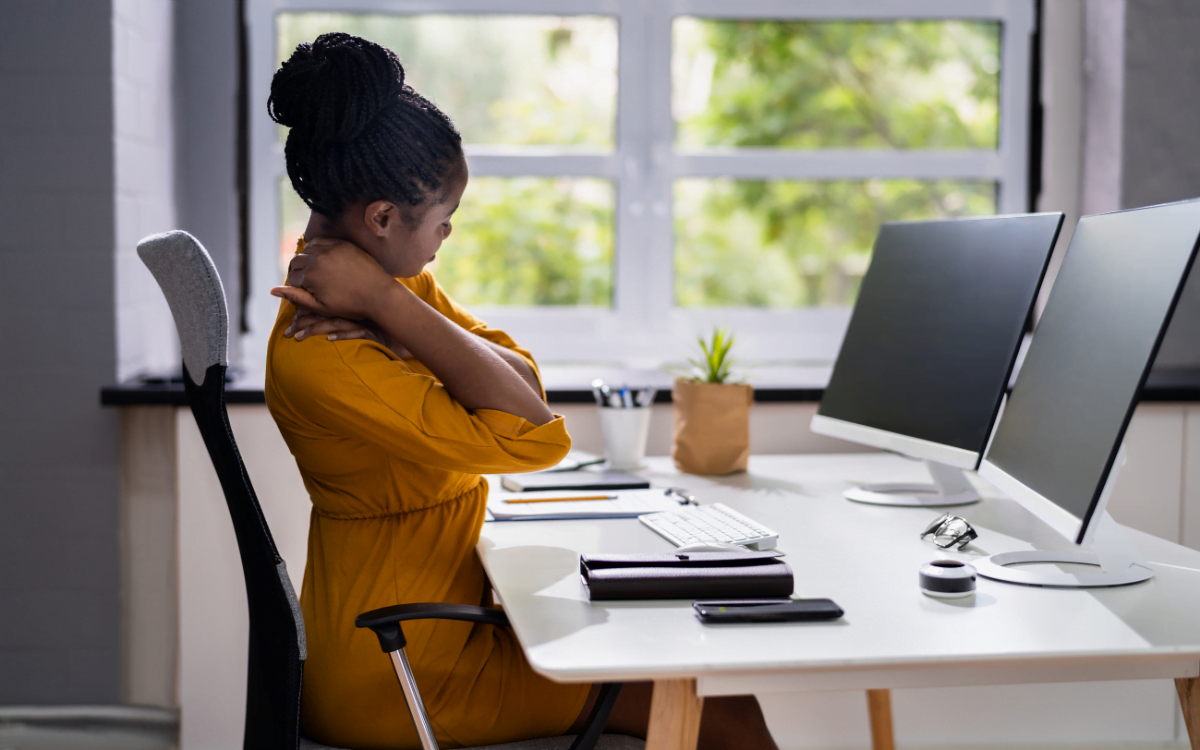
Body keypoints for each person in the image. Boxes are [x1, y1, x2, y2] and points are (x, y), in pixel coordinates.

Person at [265, 32, 779, 750]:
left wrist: (391, 301)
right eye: (443, 222)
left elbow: (518, 378)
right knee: (722, 712)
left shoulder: (384, 280)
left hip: (425, 626)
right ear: (383, 217)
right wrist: (392, 306)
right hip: (400, 666)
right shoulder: (326, 353)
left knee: (689, 676)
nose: (444, 236)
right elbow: (536, 435)